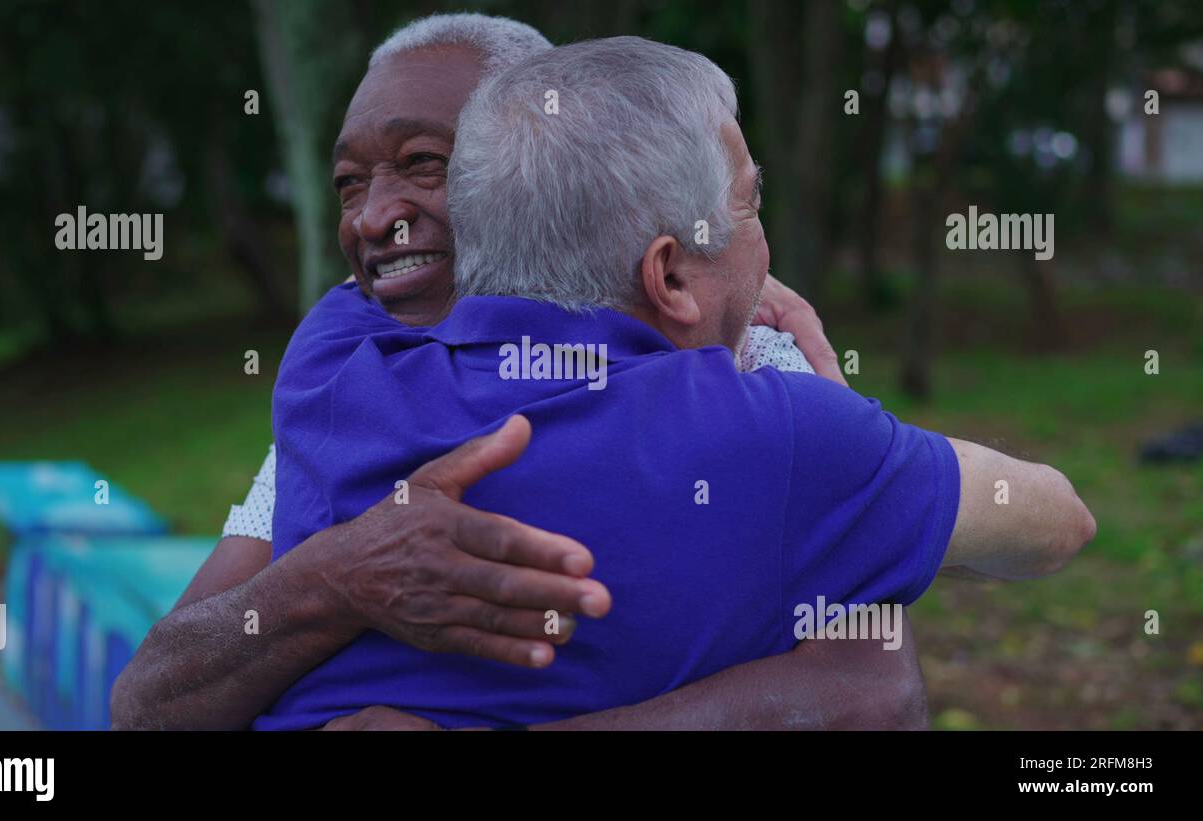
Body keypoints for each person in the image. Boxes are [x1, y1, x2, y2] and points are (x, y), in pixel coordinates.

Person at [111, 15, 925, 731]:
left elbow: (872, 694)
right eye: (350, 182)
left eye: (425, 162)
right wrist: (340, 573)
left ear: (543, 165)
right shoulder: (353, 391)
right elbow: (148, 703)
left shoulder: (749, 358)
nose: (369, 216)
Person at [255, 36, 1096, 729]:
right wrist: (846, 428)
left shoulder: (327, 365)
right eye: (749, 204)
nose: (760, 240)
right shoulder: (778, 436)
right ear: (669, 274)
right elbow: (1057, 521)